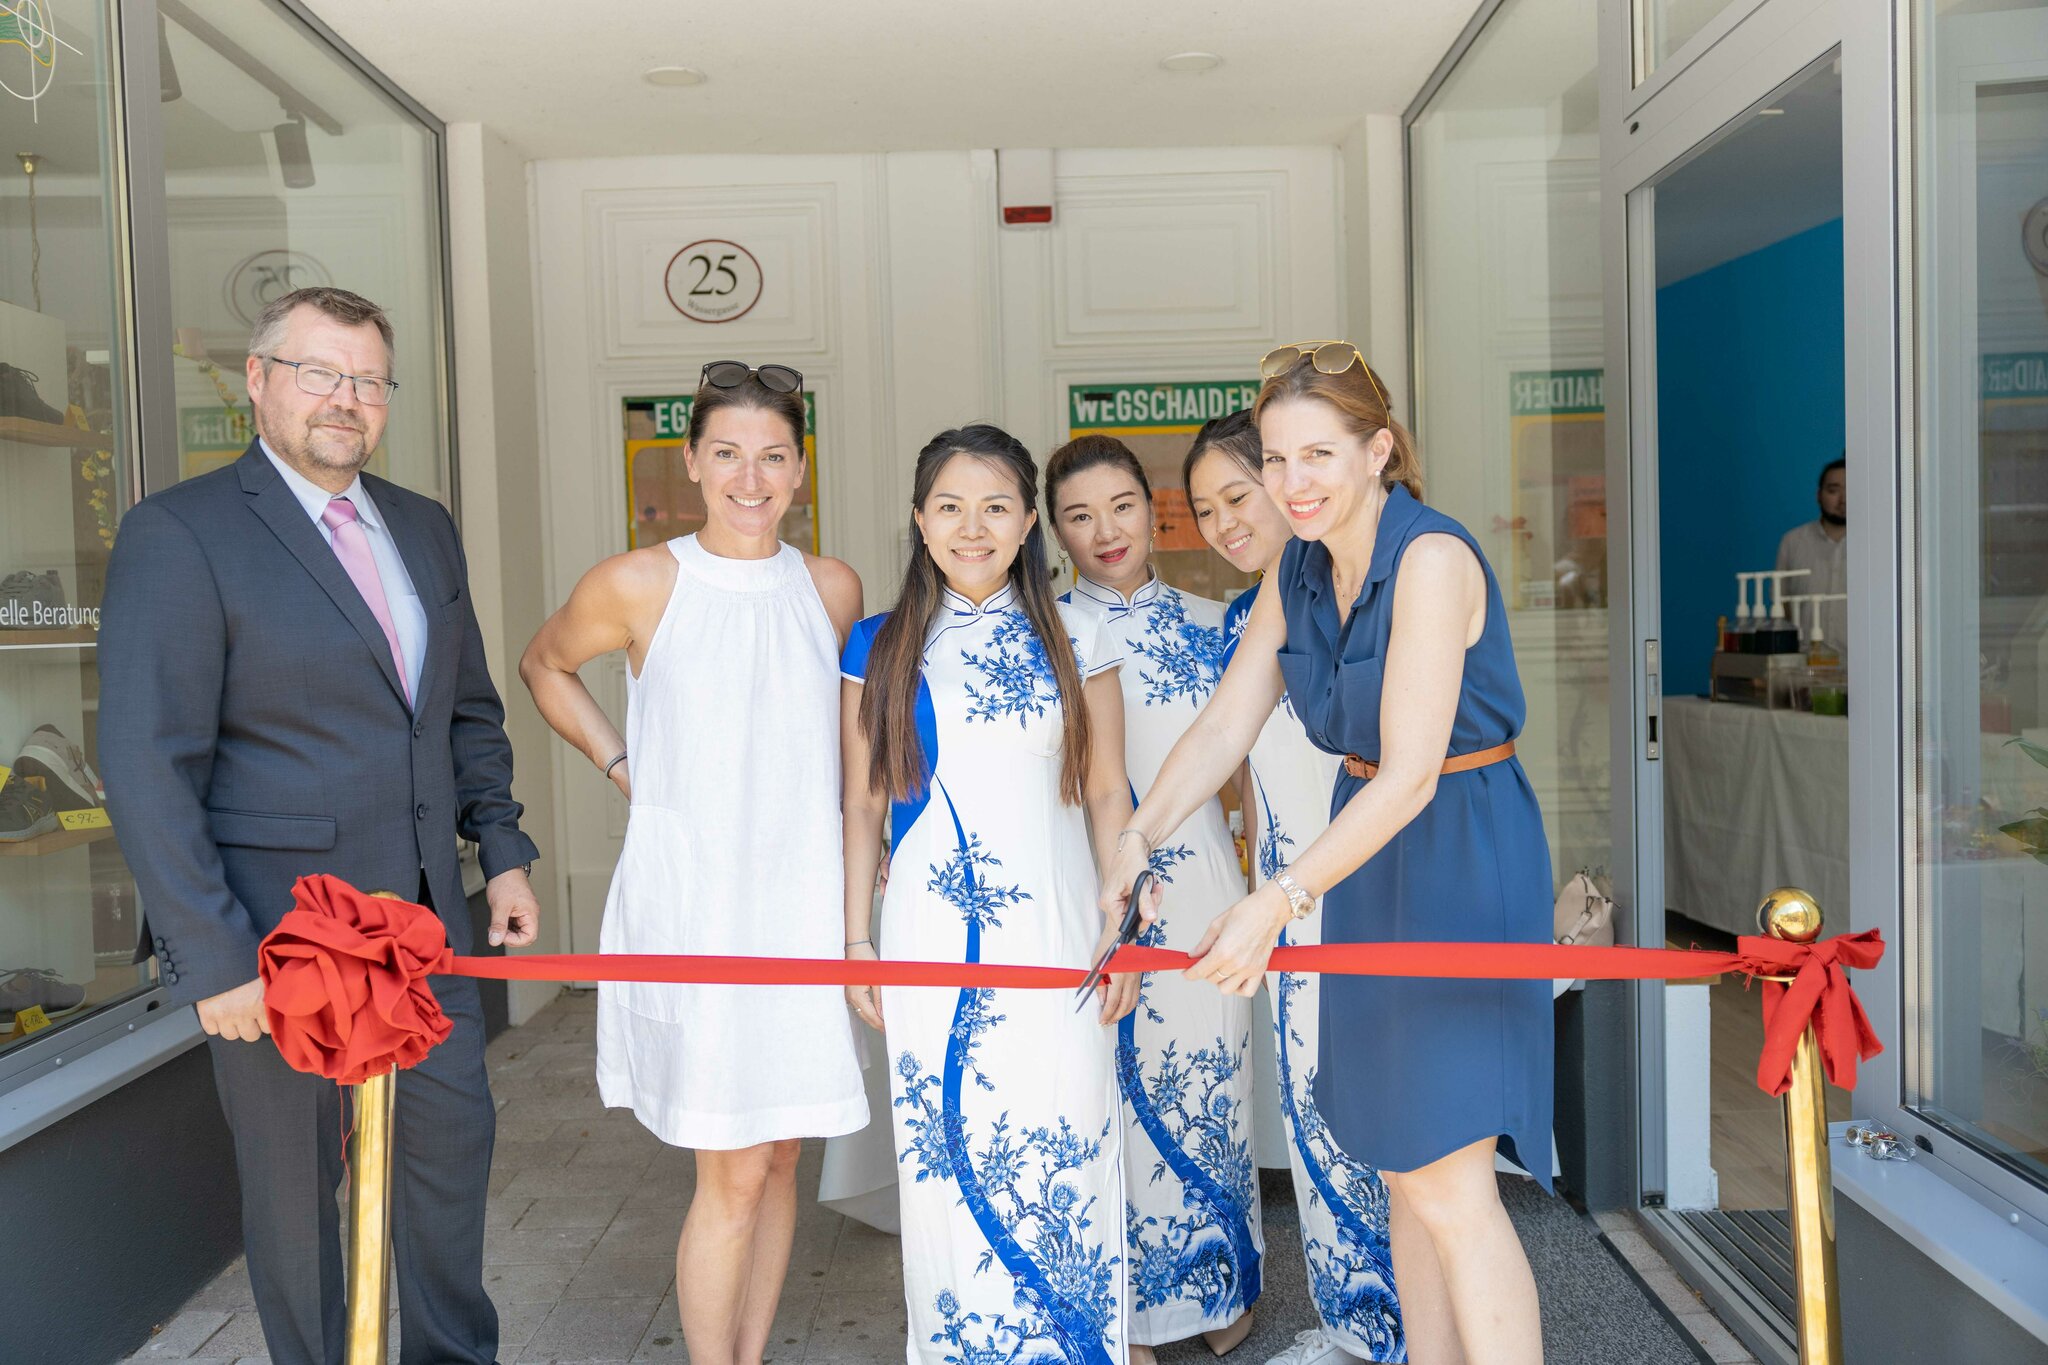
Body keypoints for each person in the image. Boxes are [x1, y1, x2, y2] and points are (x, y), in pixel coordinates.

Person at [98, 286, 542, 1365]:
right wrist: (214, 961)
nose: (344, 400)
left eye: (366, 380)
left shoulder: (423, 528)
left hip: (426, 925)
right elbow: (148, 763)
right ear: (257, 380)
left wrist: (508, 853)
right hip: (276, 942)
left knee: (447, 1161)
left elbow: (464, 712)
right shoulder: (180, 533)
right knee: (299, 1201)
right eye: (317, 373)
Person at [1100, 344, 1552, 1365]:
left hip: (1456, 856)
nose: (1290, 482)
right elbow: (1224, 724)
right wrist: (1135, 834)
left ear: (1377, 450)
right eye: (1274, 459)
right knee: (1400, 1165)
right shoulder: (1297, 566)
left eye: (1317, 453)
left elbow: (1409, 776)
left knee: (1451, 1180)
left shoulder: (1432, 560)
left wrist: (1274, 900)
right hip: (1363, 860)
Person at [519, 361, 867, 1365]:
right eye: (727, 454)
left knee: (784, 1152)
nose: (748, 478)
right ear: (692, 462)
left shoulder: (830, 585)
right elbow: (544, 662)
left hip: (804, 899)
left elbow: (851, 736)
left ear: (798, 469)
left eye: (770, 456)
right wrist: (621, 762)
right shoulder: (638, 580)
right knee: (731, 1171)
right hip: (701, 905)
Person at [840, 424, 1139, 1364]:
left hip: (1059, 930)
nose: (973, 527)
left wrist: (1119, 927)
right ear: (919, 521)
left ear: (1026, 525)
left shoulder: (1080, 632)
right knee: (948, 1157)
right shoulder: (878, 643)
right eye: (951, 507)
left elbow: (1106, 794)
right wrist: (857, 940)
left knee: (1068, 1137)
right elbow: (860, 804)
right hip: (929, 929)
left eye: (996, 507)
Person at [1184, 411, 1404, 1365]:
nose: (1227, 522)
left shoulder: (1370, 597)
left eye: (1241, 493)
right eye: (1204, 510)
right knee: (1314, 1119)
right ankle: (1356, 1326)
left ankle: (1405, 1332)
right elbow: (1235, 753)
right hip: (1290, 916)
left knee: (1383, 1128)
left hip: (1369, 901)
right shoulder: (1251, 617)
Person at [1047, 434, 1262, 1361]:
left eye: (1122, 506)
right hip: (1090, 889)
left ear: (1153, 506)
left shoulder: (1221, 623)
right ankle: (1128, 1312)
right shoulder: (1042, 629)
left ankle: (1219, 1290)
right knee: (1108, 1100)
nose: (1106, 530)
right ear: (1051, 529)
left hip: (1207, 888)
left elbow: (1250, 769)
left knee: (1210, 1086)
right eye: (1079, 515)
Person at [1775, 456, 1848, 654]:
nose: (1843, 499)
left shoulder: (1877, 545)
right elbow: (1782, 607)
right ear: (1819, 495)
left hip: (1861, 666)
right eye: (1833, 490)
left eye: (1851, 489)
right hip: (1804, 665)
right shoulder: (1793, 541)